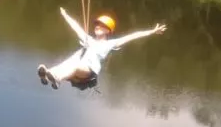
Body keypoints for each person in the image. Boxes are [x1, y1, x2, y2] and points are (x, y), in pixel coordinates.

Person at [37, 8, 166, 89]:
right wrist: (65, 15)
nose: (97, 27)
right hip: (76, 69)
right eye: (97, 25)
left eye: (101, 26)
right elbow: (75, 27)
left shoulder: (111, 43)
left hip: (88, 72)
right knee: (69, 61)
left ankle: (56, 79)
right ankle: (46, 77)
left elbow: (132, 36)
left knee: (75, 65)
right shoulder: (88, 40)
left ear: (108, 31)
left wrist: (152, 32)